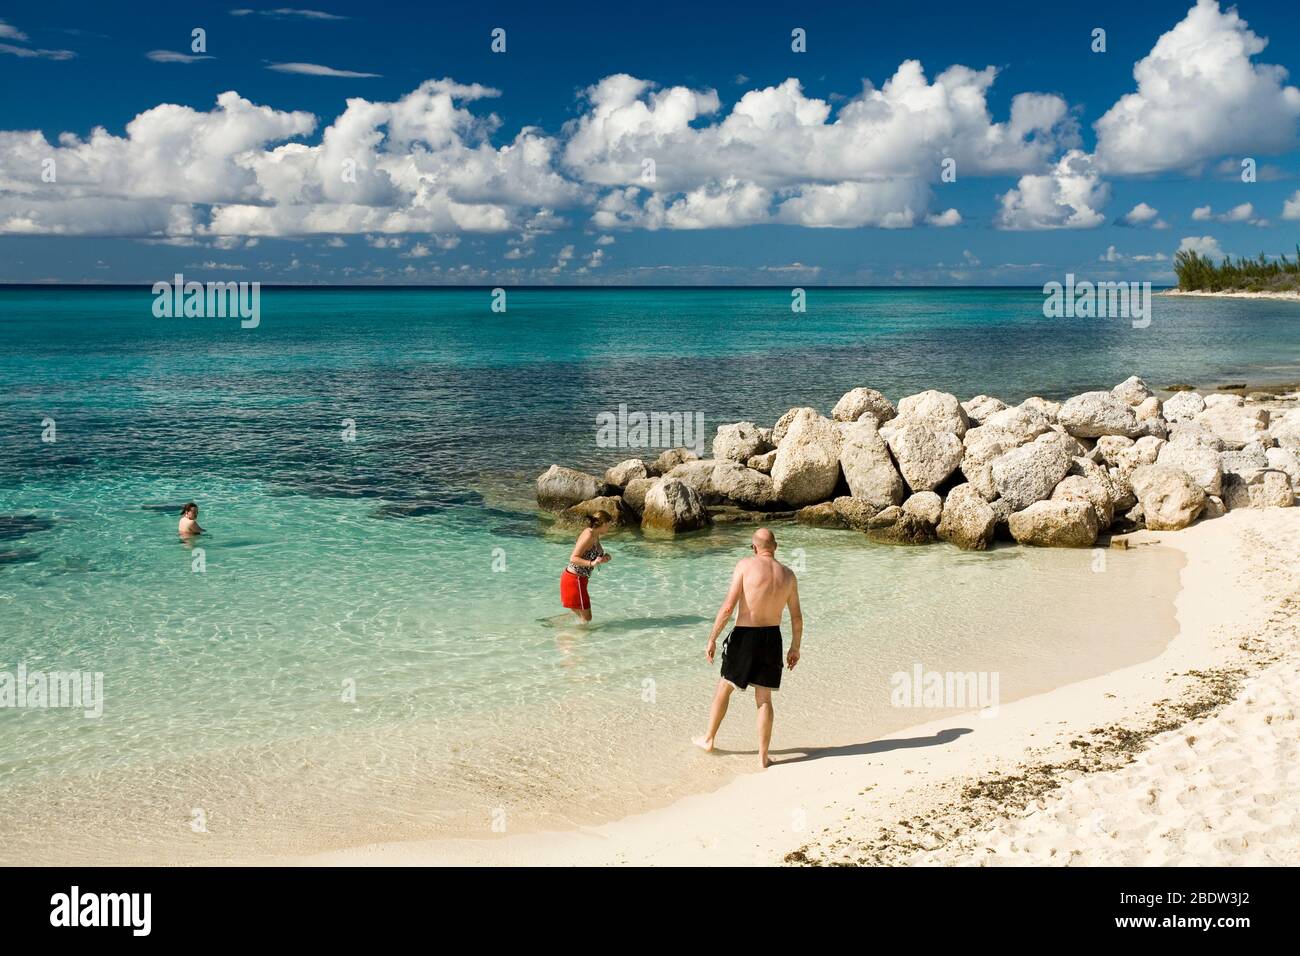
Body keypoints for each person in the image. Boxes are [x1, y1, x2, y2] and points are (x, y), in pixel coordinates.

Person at [693, 527, 802, 768]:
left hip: (745, 636)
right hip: (772, 638)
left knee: (724, 687)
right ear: (775, 546)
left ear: (754, 548)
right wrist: (795, 647)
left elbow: (728, 607)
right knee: (764, 699)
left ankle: (709, 738)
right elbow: (796, 617)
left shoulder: (745, 566)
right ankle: (763, 757)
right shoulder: (788, 575)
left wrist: (712, 638)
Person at [560, 511, 613, 623]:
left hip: (580, 580)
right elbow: (573, 558)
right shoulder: (589, 535)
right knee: (586, 618)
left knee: (581, 616)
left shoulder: (595, 534)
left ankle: (556, 624)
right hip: (574, 579)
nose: (609, 528)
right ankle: (574, 637)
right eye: (609, 525)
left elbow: (594, 555)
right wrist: (592, 563)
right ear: (603, 524)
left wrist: (603, 558)